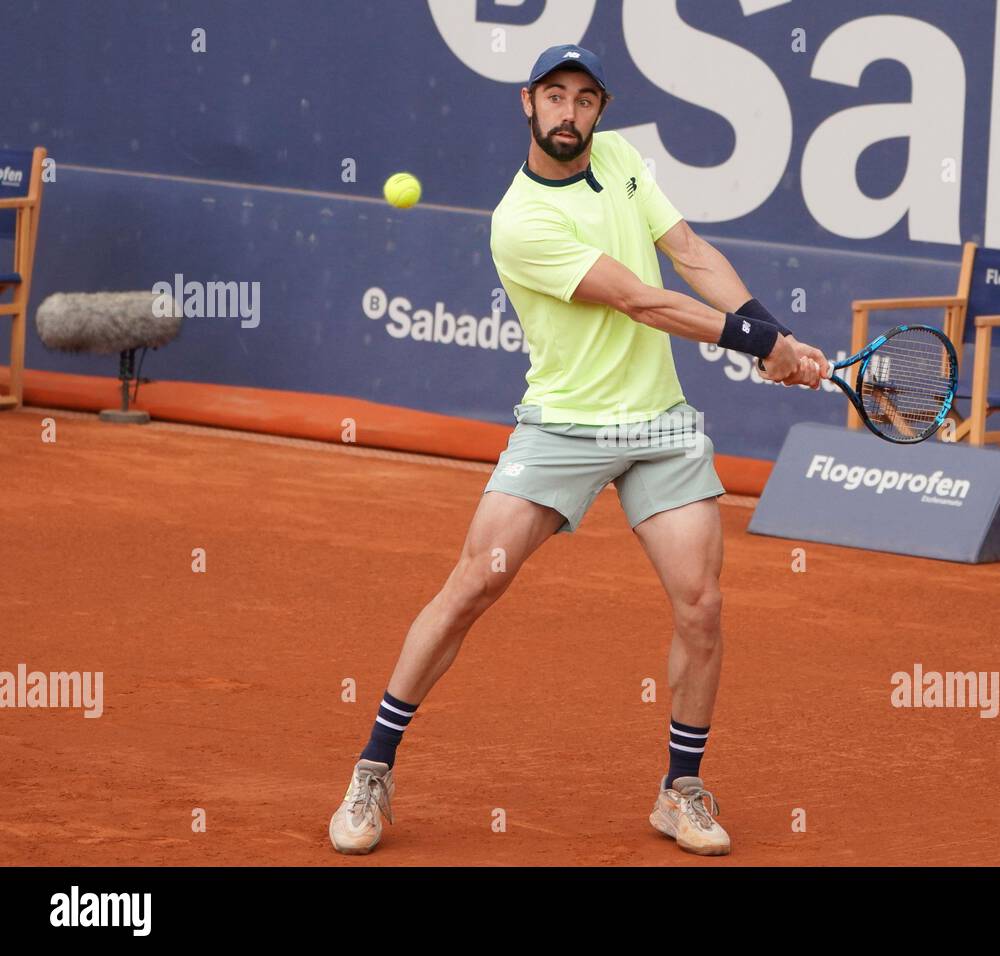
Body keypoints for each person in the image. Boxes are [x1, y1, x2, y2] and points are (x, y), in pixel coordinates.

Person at [330, 43, 829, 858]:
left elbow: (691, 254)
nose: (570, 112)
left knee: (701, 605)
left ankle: (680, 790)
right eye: (555, 97)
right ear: (528, 103)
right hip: (562, 426)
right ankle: (371, 771)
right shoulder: (519, 221)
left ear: (600, 110)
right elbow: (639, 300)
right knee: (471, 587)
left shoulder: (625, 159)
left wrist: (776, 333)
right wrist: (756, 344)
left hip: (659, 426)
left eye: (586, 99)